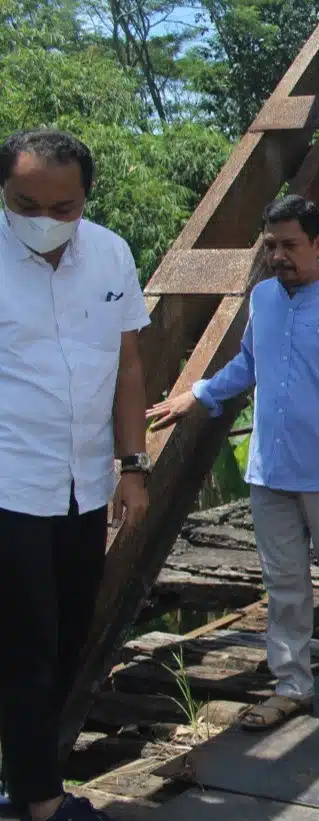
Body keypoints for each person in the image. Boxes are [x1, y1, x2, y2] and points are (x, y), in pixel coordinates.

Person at [148, 195, 319, 732]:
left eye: (290, 245)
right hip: (269, 471)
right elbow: (250, 363)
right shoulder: (263, 299)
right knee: (283, 581)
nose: (278, 256)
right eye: (271, 245)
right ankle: (292, 684)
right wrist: (199, 394)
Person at [0, 129, 150, 821]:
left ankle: (23, 773)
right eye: (25, 202)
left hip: (85, 485)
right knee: (25, 643)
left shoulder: (112, 253)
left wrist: (133, 464)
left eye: (62, 208)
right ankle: (40, 800)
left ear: (85, 199)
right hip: (9, 484)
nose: (42, 219)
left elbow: (127, 369)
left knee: (66, 638)